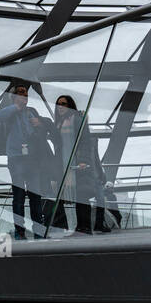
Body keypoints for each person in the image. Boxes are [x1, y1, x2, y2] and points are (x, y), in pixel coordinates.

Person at [0, 84, 54, 239]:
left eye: (25, 94)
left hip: (32, 158)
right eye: (20, 93)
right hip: (16, 158)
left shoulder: (31, 111)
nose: (24, 96)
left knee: (35, 195)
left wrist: (40, 124)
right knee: (18, 196)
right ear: (14, 96)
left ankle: (38, 230)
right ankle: (20, 231)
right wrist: (16, 107)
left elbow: (44, 126)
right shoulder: (10, 112)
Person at [52, 95, 105, 234]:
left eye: (64, 103)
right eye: (58, 104)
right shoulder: (58, 123)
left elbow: (86, 141)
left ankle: (85, 227)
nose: (60, 106)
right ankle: (77, 227)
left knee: (82, 195)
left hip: (77, 163)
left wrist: (84, 161)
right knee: (70, 196)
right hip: (63, 164)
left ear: (70, 106)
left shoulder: (76, 119)